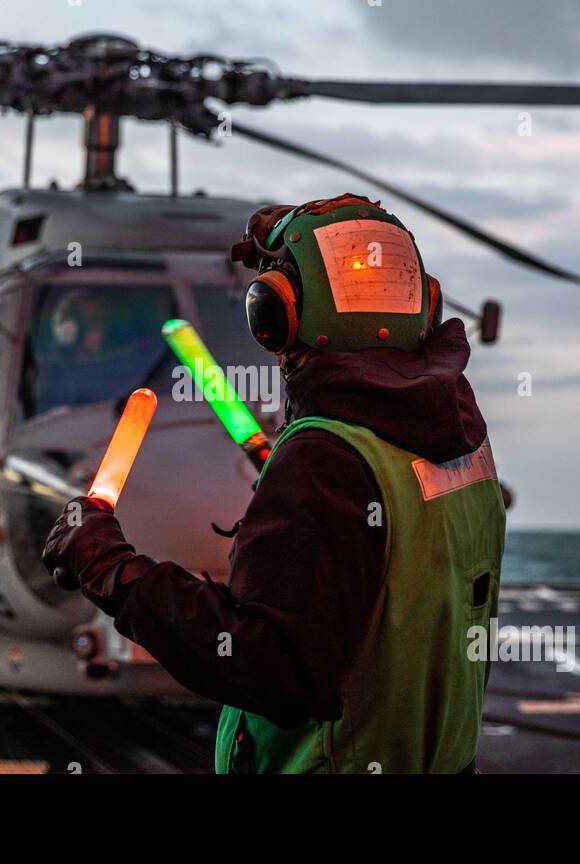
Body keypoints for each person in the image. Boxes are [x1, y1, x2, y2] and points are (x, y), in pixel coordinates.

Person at [43, 194, 506, 773]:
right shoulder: (461, 439)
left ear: (275, 317)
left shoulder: (326, 461)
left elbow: (268, 665)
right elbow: (399, 558)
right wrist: (304, 499)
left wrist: (108, 566)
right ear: (426, 303)